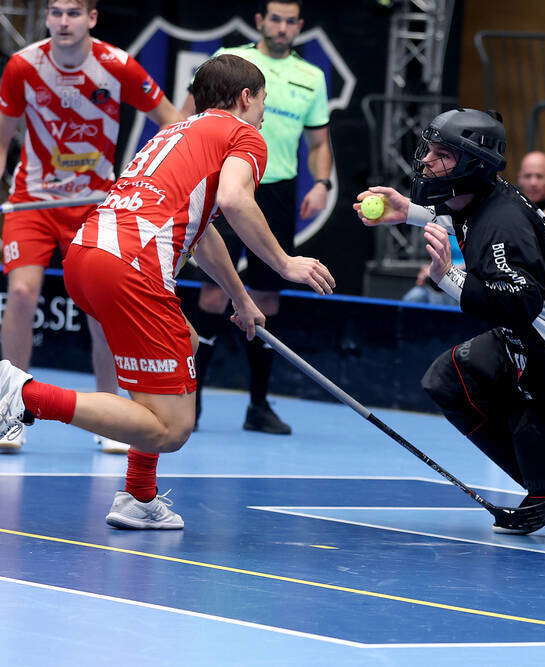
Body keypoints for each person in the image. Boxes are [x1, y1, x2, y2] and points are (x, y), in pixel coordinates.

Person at [0, 54, 335, 529]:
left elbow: (205, 231)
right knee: (173, 428)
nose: (263, 110)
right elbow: (235, 200)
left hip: (87, 256)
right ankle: (25, 394)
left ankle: (138, 497)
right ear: (246, 98)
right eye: (263, 99)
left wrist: (241, 299)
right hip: (132, 268)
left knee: (187, 345)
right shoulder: (245, 136)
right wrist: (285, 263)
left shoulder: (178, 132)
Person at [354, 108, 545, 546]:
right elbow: (460, 221)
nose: (425, 160)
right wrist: (406, 211)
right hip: (537, 343)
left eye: (441, 155)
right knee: (451, 378)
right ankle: (544, 489)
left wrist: (449, 277)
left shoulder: (502, 225)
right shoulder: (480, 198)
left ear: (470, 165)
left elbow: (517, 304)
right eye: (429, 150)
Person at [0, 0, 184, 453]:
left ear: (92, 19)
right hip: (32, 202)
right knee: (22, 294)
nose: (64, 22)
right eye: (56, 12)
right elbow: (2, 136)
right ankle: (8, 412)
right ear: (47, 18)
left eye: (73, 13)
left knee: (101, 308)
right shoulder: (23, 66)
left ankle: (112, 416)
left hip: (95, 203)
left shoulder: (117, 65)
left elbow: (175, 126)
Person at [180, 0, 333, 435]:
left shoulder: (312, 77)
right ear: (260, 21)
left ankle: (259, 406)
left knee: (267, 299)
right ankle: (193, 402)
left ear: (298, 26)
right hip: (229, 183)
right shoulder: (231, 63)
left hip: (279, 190)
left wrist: (321, 184)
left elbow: (320, 143)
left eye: (290, 22)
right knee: (213, 295)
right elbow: (192, 117)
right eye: (275, 20)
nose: (282, 28)